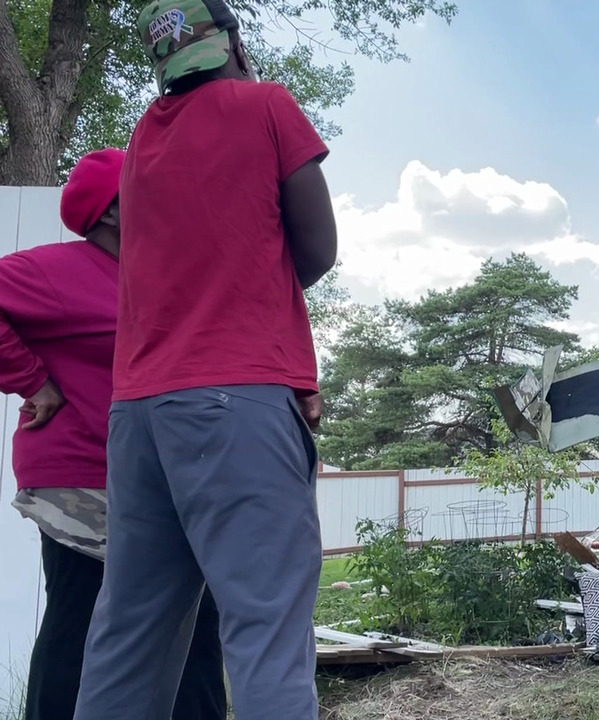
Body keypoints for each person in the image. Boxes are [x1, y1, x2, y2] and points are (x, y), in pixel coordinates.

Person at [73, 1, 338, 718]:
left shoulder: (142, 142)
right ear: (232, 40)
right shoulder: (265, 106)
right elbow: (317, 250)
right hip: (237, 399)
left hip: (138, 414)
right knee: (265, 625)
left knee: (130, 631)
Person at [0, 150, 227, 720]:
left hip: (165, 479)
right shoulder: (56, 271)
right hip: (83, 474)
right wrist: (33, 381)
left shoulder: (165, 276)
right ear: (108, 213)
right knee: (84, 619)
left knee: (198, 620)